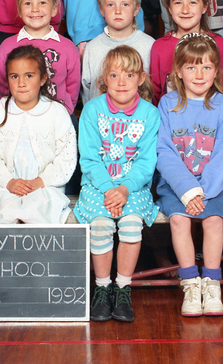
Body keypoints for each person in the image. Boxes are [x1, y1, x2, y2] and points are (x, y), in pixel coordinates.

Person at [75, 46, 160, 323]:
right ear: (104, 80)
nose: (121, 82)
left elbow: (147, 162)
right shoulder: (92, 110)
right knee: (100, 224)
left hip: (133, 188)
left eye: (129, 74)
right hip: (97, 187)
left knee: (131, 222)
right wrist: (109, 189)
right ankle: (102, 288)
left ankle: (123, 287)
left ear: (141, 78)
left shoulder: (149, 114)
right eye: (114, 75)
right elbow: (88, 158)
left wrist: (124, 189)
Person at [156, 34, 223, 317]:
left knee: (213, 220)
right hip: (177, 186)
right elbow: (164, 151)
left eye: (206, 67)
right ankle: (190, 283)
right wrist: (188, 191)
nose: (199, 74)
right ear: (178, 71)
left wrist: (204, 191)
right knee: (179, 220)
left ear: (216, 70)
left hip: (212, 186)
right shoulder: (168, 104)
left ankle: (212, 283)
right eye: (191, 67)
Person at [0, 45, 77, 224]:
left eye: (29, 76)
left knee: (37, 213)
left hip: (46, 189)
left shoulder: (57, 112)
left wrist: (39, 182)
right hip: (4, 189)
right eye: (14, 76)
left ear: (43, 78)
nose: (21, 83)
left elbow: (66, 160)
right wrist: (9, 182)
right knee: (6, 213)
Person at [0, 0, 82, 112]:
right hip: (19, 116)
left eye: (42, 3)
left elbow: (73, 86)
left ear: (54, 9)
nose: (35, 9)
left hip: (57, 117)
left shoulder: (68, 47)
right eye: (28, 3)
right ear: (19, 10)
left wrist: (66, 111)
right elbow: (2, 85)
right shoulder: (6, 47)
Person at [148, 0, 223, 103]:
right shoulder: (159, 47)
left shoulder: (220, 45)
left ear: (205, 7)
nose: (185, 10)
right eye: (178, 3)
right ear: (169, 8)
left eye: (193, 2)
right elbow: (156, 94)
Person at [79, 0, 155, 104]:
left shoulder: (150, 45)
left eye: (125, 4)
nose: (118, 11)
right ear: (101, 10)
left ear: (136, 9)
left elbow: (154, 89)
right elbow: (87, 91)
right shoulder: (92, 48)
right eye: (110, 5)